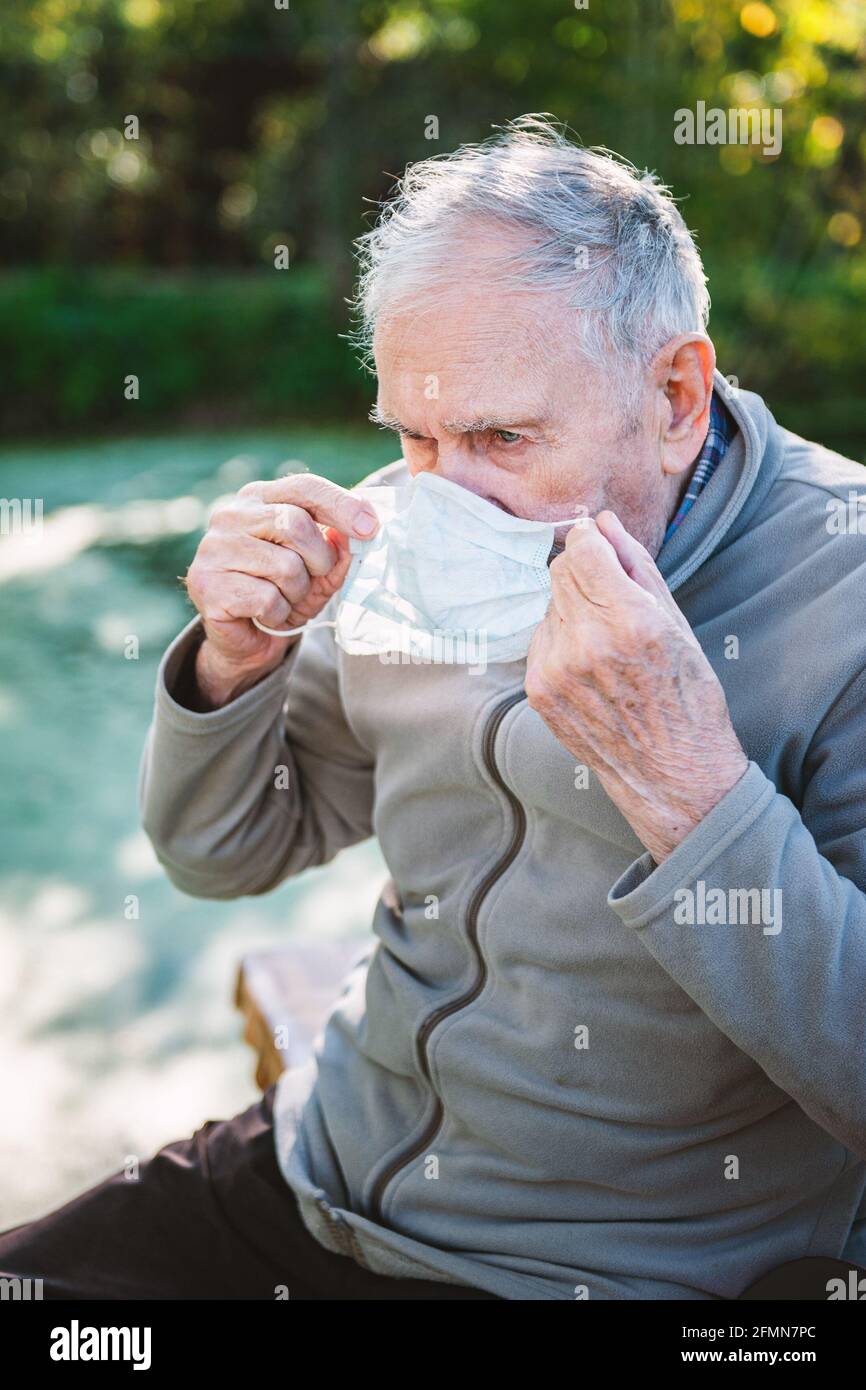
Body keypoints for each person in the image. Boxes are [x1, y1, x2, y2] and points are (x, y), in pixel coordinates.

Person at [3, 115, 866, 1301]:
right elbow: (222, 850)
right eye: (413, 434)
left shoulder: (846, 588)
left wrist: (687, 788)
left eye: (501, 437)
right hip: (321, 1172)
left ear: (673, 394)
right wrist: (233, 665)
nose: (441, 497)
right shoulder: (396, 532)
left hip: (613, 1275)